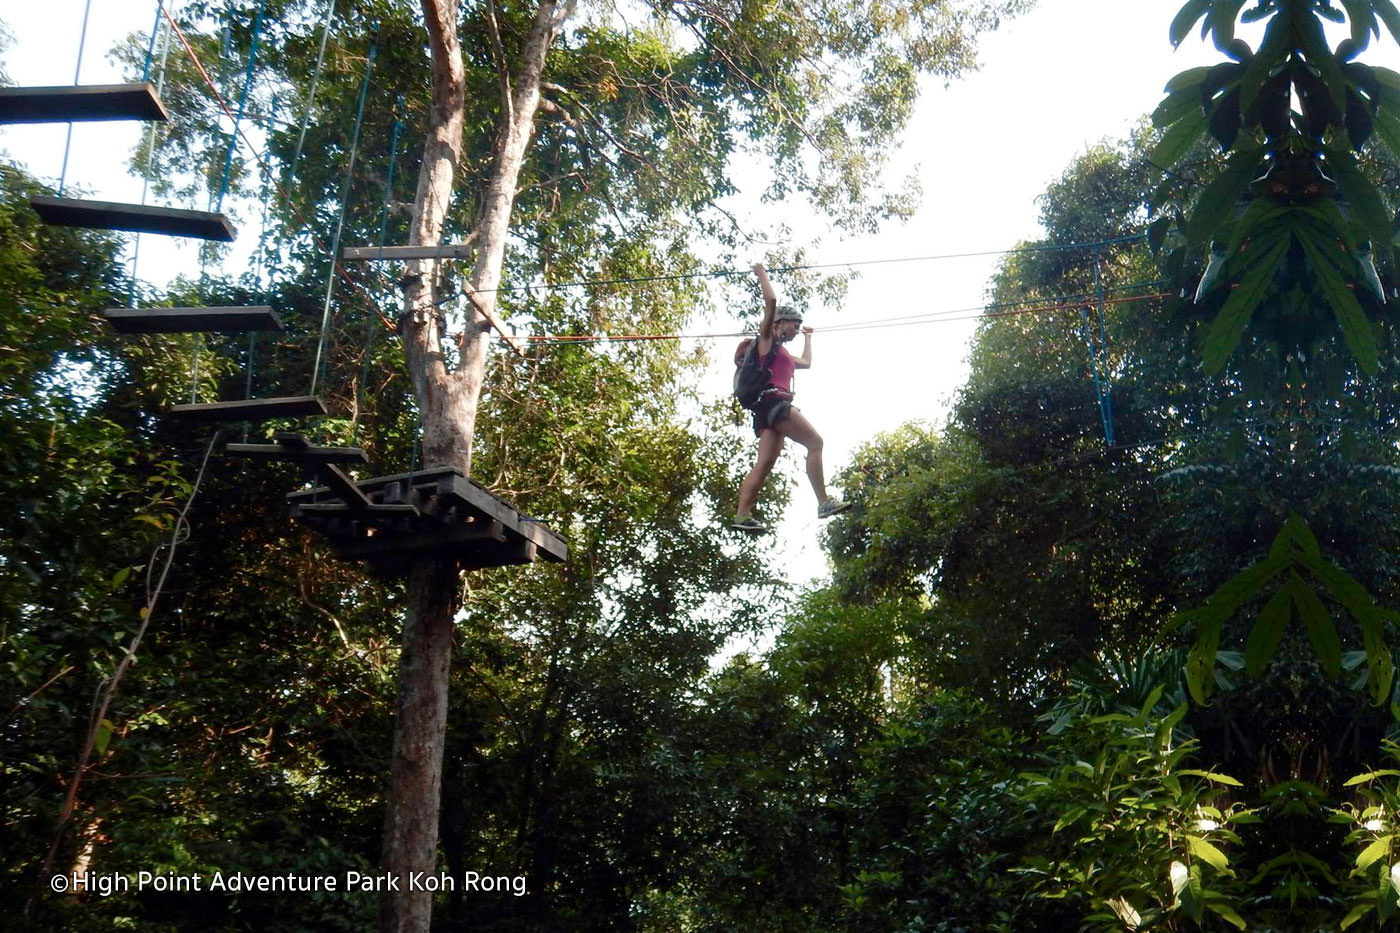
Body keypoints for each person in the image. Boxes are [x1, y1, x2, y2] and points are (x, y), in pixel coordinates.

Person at [733, 278, 850, 533]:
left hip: (766, 411)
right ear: (778, 323)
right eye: (793, 325)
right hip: (775, 402)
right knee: (815, 443)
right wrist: (760, 271)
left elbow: (807, 363)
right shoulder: (766, 341)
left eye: (798, 327)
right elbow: (771, 301)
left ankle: (742, 514)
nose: (795, 330)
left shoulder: (782, 353)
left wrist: (809, 337)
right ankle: (823, 502)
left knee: (765, 463)